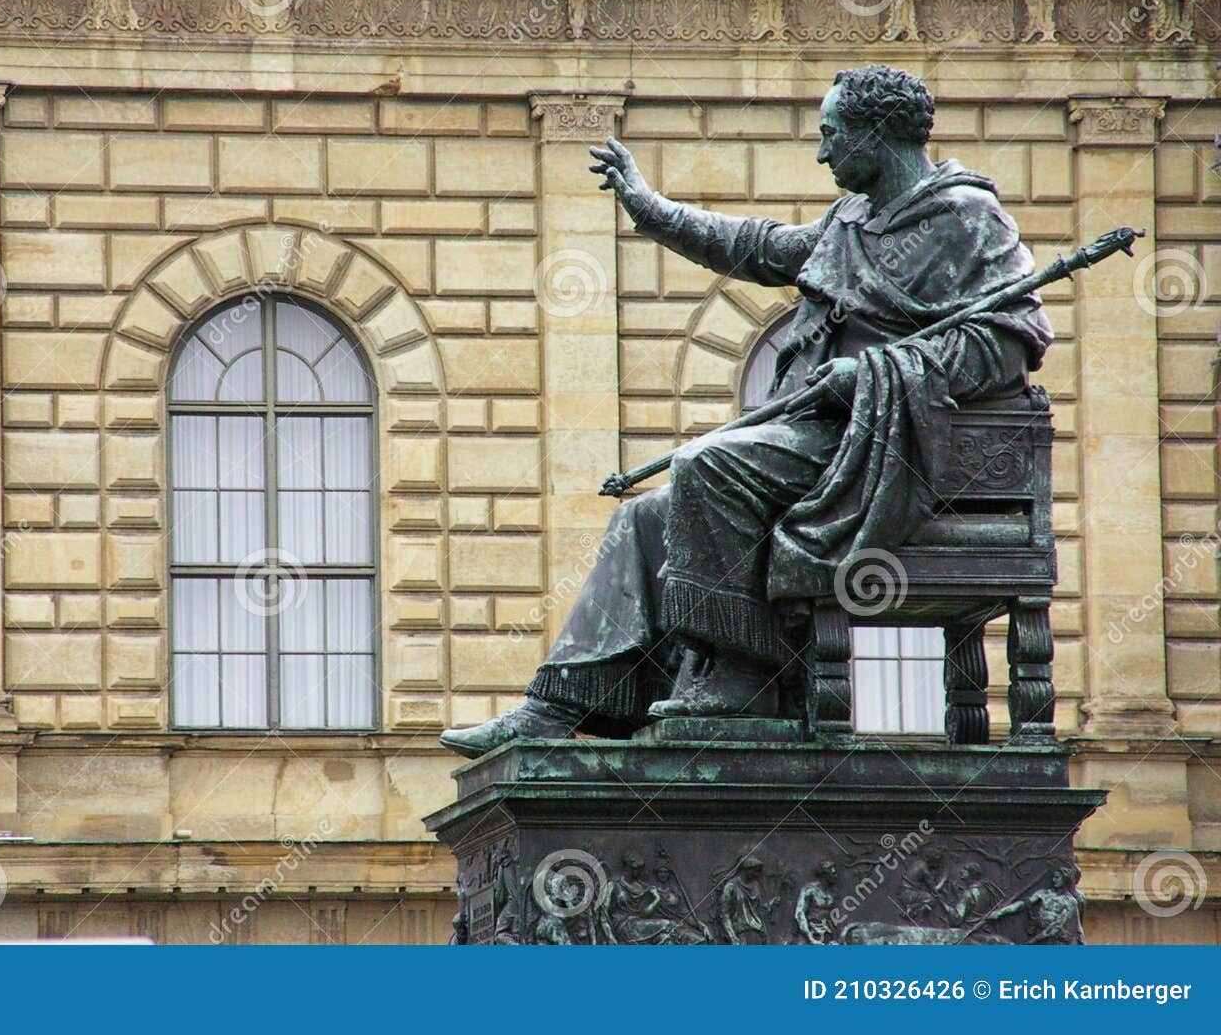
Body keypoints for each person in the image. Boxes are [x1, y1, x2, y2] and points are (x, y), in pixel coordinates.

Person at [441, 65, 1051, 758]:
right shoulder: (851, 221)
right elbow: (755, 247)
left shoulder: (968, 218)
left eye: (831, 136)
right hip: (827, 437)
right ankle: (557, 709)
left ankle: (745, 674)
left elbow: (1008, 341)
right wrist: (648, 207)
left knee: (707, 463)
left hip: (890, 442)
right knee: (644, 512)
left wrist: (870, 372)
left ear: (876, 135)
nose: (823, 154)